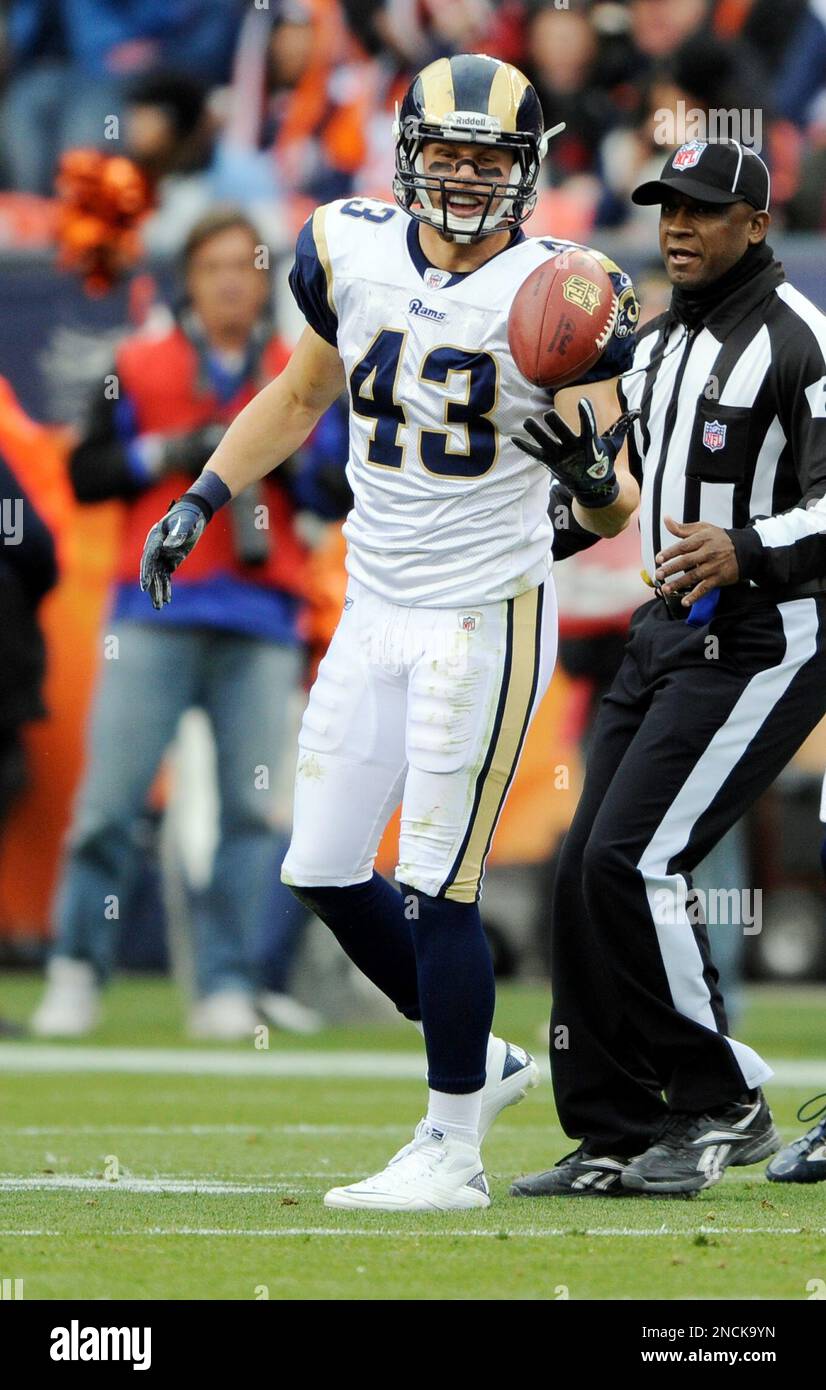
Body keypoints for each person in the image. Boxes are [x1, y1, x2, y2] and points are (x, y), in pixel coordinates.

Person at [139, 52, 641, 1211]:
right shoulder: (348, 246)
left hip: (482, 611)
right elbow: (301, 393)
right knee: (318, 861)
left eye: (488, 161)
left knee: (437, 884)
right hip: (373, 602)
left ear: (526, 171)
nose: (465, 181)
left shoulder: (563, 291)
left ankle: (452, 1147)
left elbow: (608, 504)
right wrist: (203, 496)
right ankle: (483, 1061)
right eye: (449, 156)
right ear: (411, 156)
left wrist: (595, 478)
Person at [511, 138, 826, 1200]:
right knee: (581, 869)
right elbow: (624, 495)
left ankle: (718, 1099)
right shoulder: (652, 344)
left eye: (701, 210)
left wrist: (746, 547)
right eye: (665, 209)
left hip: (764, 632)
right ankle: (610, 1123)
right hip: (667, 624)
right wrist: (580, 491)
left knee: (634, 860)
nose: (678, 227)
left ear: (755, 224)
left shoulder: (800, 343)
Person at [31, 209, 314, 1041]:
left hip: (262, 615)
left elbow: (339, 487)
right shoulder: (139, 361)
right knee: (110, 803)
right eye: (213, 266)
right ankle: (77, 966)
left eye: (245, 266)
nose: (231, 281)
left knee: (247, 810)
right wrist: (168, 452)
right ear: (188, 278)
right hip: (154, 614)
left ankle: (227, 980)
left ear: (264, 278)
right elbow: (84, 474)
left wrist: (283, 459)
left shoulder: (297, 370)